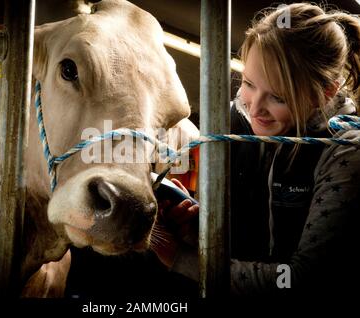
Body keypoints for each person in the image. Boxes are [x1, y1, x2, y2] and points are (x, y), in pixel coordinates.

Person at [151, 3, 360, 296]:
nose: (255, 106)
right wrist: (201, 228)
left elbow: (302, 279)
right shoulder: (236, 120)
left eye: (278, 97)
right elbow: (258, 243)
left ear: (325, 93)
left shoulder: (346, 152)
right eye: (248, 83)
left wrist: (183, 260)